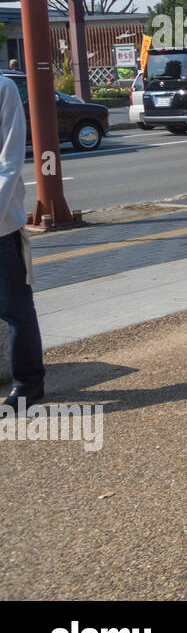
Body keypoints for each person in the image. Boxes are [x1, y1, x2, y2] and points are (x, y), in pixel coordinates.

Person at [0, 73, 44, 412]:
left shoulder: (3, 87)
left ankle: (27, 382)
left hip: (2, 224)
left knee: (15, 308)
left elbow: (9, 160)